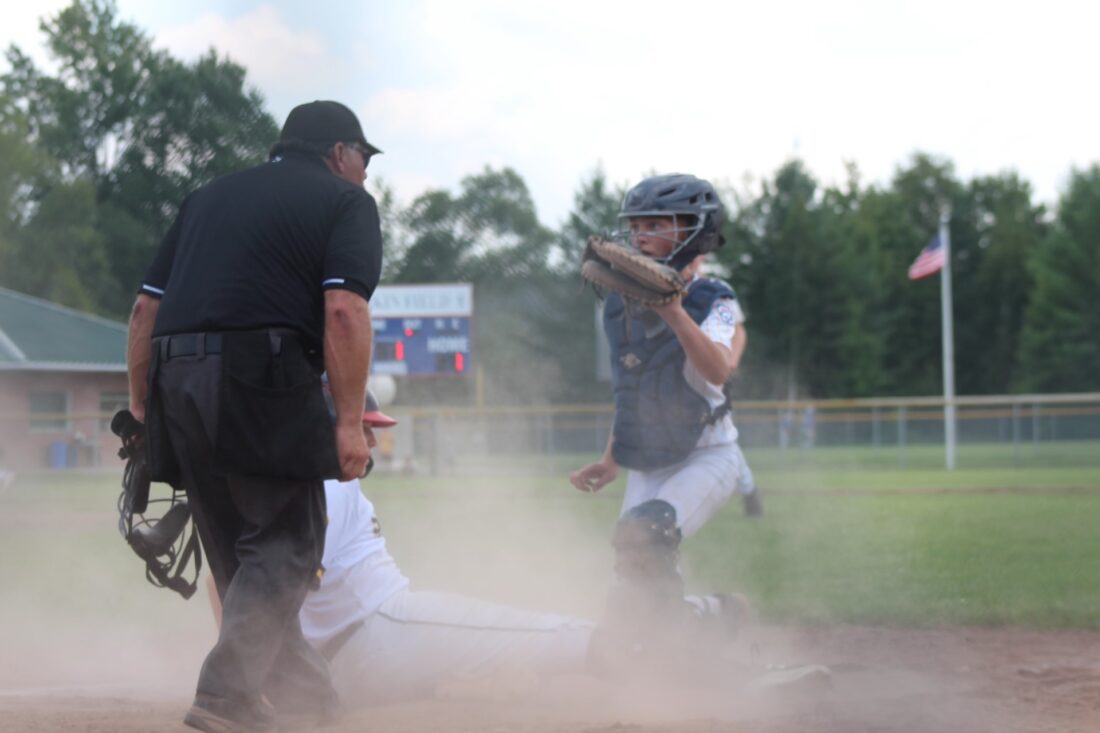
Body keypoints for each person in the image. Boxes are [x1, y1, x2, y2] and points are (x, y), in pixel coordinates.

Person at [126, 100, 383, 733]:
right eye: (364, 159)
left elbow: (142, 313)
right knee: (288, 546)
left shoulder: (205, 198)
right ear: (339, 154)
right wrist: (349, 424)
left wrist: (140, 409)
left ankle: (308, 702)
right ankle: (225, 697)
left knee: (243, 560)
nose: (366, 175)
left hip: (176, 378)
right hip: (258, 373)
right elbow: (345, 312)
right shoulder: (346, 203)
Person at [208, 392, 595, 705]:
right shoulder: (329, 487)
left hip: (335, 670)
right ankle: (626, 647)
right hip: (379, 630)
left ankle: (461, 686)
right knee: (533, 635)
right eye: (364, 428)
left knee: (480, 662)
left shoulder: (288, 484)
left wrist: (252, 671)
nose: (374, 441)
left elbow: (225, 580)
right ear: (329, 430)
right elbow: (273, 580)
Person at [569, 174, 755, 672]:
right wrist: (611, 459)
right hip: (648, 459)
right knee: (626, 607)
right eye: (635, 226)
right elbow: (633, 387)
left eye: (656, 224)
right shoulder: (619, 304)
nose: (640, 237)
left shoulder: (713, 297)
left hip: (709, 456)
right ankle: (715, 617)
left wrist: (673, 312)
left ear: (693, 233)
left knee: (645, 533)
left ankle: (694, 668)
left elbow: (718, 370)